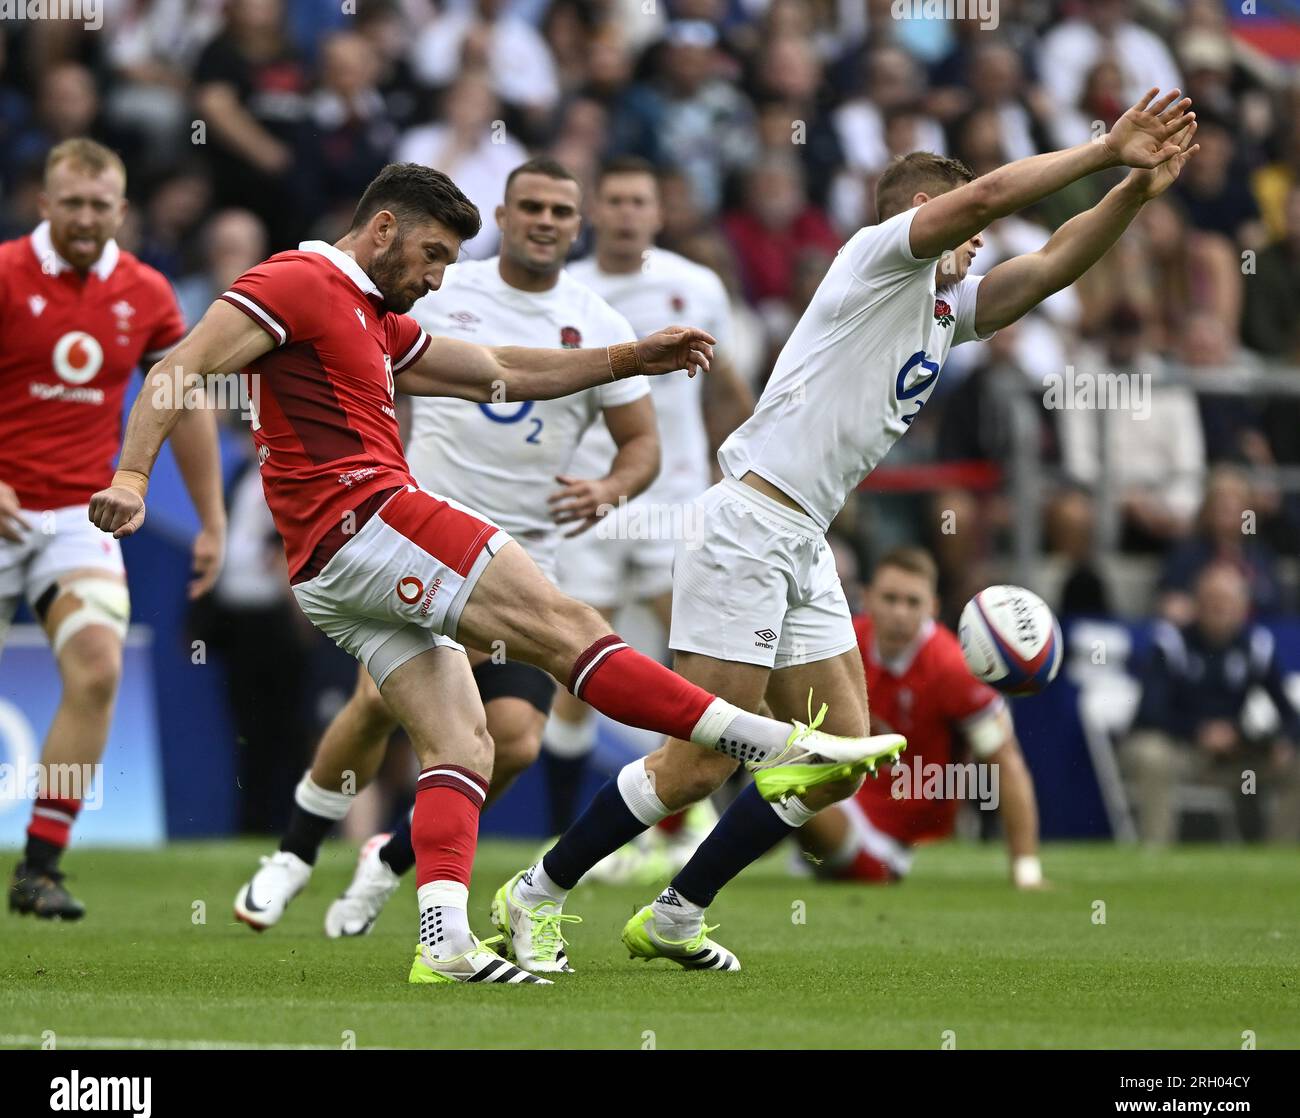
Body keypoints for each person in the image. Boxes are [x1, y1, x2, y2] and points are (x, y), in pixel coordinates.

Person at [88, 162, 894, 985]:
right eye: (431, 256)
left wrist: (625, 361)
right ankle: (776, 743)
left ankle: (441, 944)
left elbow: (496, 370)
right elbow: (179, 368)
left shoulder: (376, 318)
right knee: (572, 631)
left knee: (465, 745)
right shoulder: (298, 279)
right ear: (383, 230)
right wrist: (131, 476)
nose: (437, 278)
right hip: (372, 517)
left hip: (329, 567)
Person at [496, 89, 1200, 975]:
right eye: (964, 222)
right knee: (701, 763)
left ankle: (677, 912)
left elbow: (1054, 263)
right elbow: (983, 204)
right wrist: (1104, 150)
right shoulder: (876, 262)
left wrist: (1133, 190)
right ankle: (537, 892)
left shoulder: (943, 312)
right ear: (922, 214)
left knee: (839, 761)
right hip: (748, 522)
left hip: (803, 539)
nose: (980, 242)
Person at [230, 156, 659, 942]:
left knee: (515, 741)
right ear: (503, 213)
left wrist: (610, 489)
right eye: (530, 206)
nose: (545, 221)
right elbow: (358, 363)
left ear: (577, 223)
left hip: (526, 551)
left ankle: (393, 858)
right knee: (373, 708)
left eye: (562, 211)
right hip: (413, 533)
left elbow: (641, 446)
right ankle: (293, 854)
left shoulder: (601, 322)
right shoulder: (437, 282)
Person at [3, 139, 224, 920]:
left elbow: (183, 398)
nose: (87, 217)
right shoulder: (4, 273)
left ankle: (39, 867)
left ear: (122, 211)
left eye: (101, 204)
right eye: (73, 202)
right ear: (44, 203)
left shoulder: (144, 290)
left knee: (97, 667)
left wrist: (211, 518)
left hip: (76, 513)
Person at [542, 155, 753, 836]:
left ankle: (702, 824)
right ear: (595, 212)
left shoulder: (696, 286)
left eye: (641, 201)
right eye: (616, 200)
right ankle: (563, 828)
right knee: (576, 673)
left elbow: (726, 392)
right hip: (590, 506)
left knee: (699, 665)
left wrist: (746, 479)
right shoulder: (564, 291)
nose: (629, 213)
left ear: (659, 214)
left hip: (680, 502)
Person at [797, 548, 1045, 887]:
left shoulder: (953, 668)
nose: (900, 613)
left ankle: (710, 837)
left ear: (933, 608)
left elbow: (1004, 761)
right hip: (837, 792)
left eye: (913, 602)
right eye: (890, 599)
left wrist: (1026, 870)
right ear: (867, 598)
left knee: (782, 780)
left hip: (886, 836)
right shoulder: (843, 643)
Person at [1123, 562, 1300, 844]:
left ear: (1243, 607)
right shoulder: (1172, 643)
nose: (1220, 609)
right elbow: (1149, 713)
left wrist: (1285, 740)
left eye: (1227, 602)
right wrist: (1199, 731)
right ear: (1196, 603)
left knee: (1296, 762)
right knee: (1150, 752)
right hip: (1181, 750)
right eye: (1212, 601)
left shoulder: (1254, 646)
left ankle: (1276, 857)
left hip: (1232, 759)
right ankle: (1155, 850)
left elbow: (1290, 714)